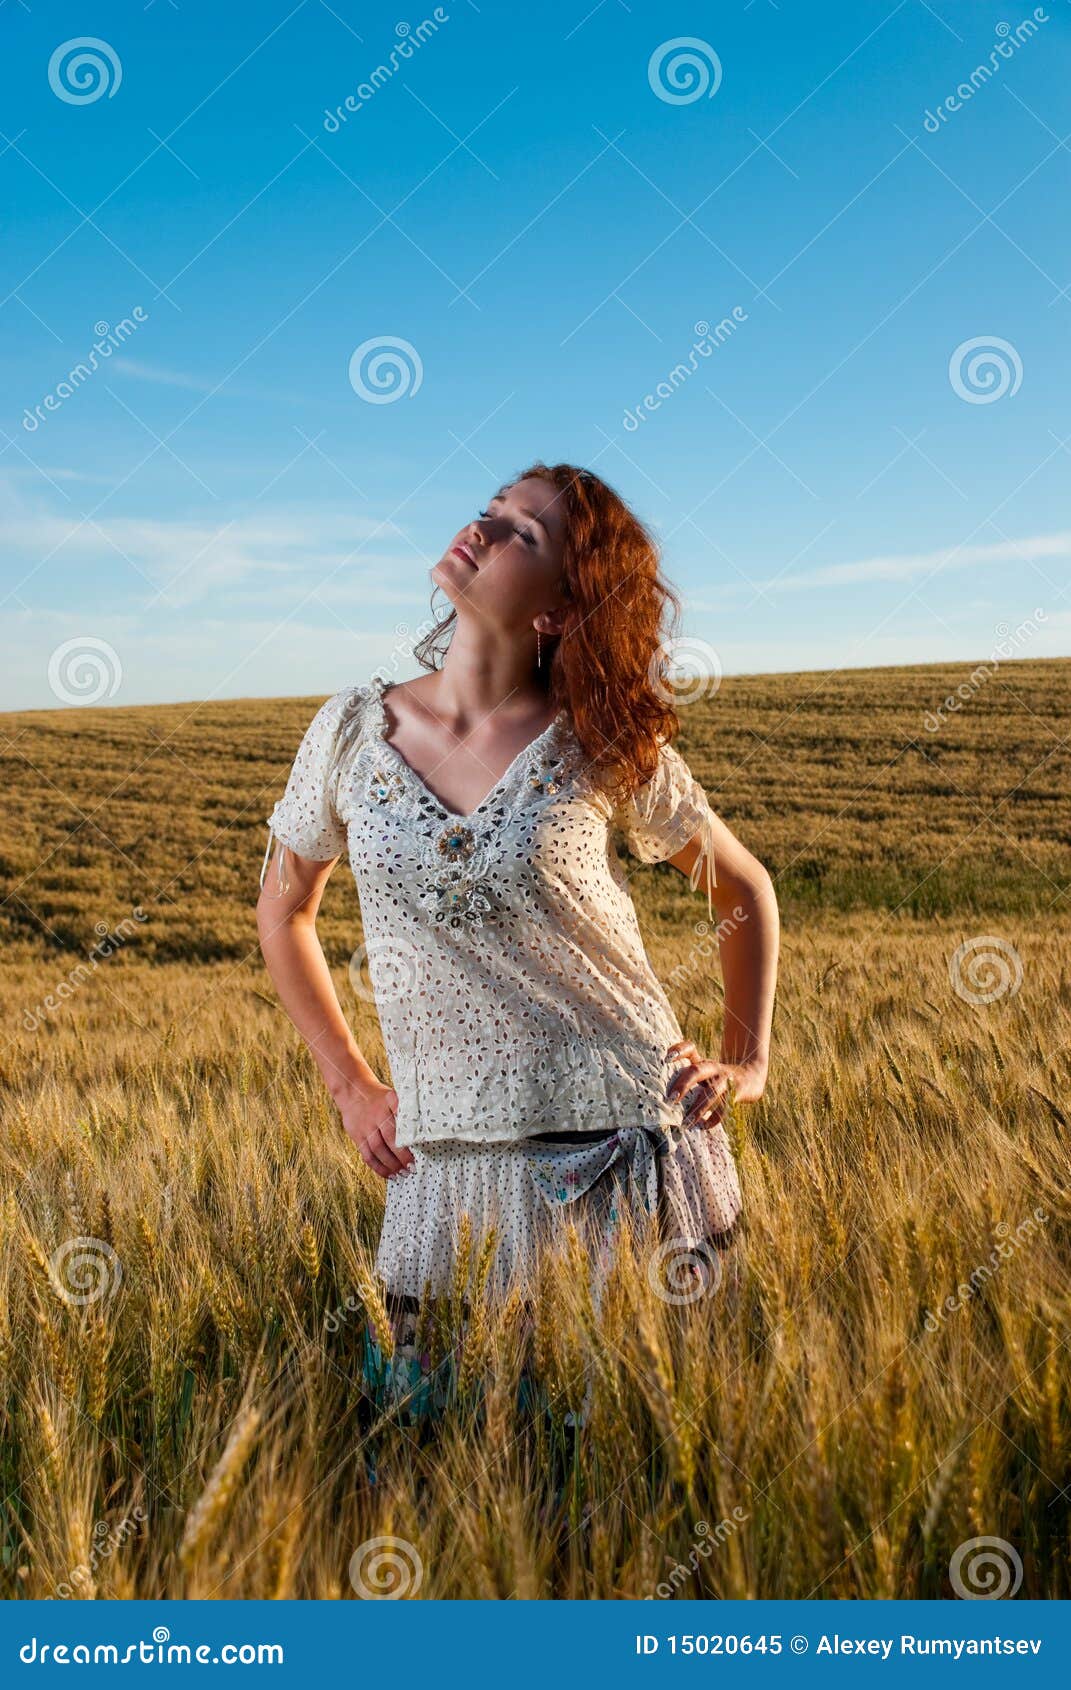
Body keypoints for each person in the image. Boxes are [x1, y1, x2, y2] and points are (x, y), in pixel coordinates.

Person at [255, 461, 779, 1424]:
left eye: (521, 536)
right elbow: (282, 913)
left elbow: (742, 887)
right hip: (441, 1166)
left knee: (633, 1477)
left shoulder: (600, 742)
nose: (483, 529)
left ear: (554, 612)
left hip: (628, 1147)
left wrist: (746, 1062)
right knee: (429, 1472)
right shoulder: (349, 732)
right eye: (491, 513)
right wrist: (347, 1082)